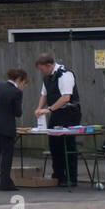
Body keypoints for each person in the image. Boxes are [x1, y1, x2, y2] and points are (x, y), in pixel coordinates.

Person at [34, 53, 82, 186]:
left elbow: (66, 97)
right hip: (56, 112)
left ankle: (71, 178)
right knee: (54, 144)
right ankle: (58, 175)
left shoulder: (65, 75)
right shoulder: (47, 77)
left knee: (67, 144)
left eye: (42, 69)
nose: (41, 72)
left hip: (69, 113)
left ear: (49, 65)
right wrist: (39, 109)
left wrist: (49, 110)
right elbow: (44, 94)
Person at [0, 68, 27, 190]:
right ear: (19, 80)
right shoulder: (17, 92)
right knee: (6, 155)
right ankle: (5, 183)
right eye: (24, 84)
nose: (23, 87)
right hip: (6, 127)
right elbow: (18, 112)